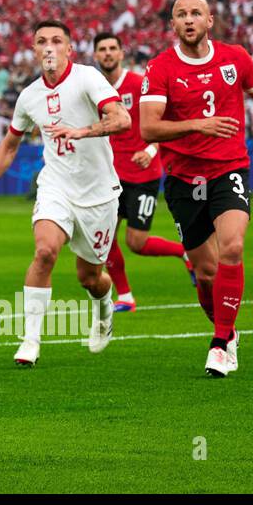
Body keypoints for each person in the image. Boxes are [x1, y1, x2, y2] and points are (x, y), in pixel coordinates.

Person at [140, 0, 253, 378]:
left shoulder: (236, 58)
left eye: (196, 13)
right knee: (206, 272)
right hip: (183, 177)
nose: (189, 19)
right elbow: (148, 127)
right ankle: (228, 330)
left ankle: (218, 343)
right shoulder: (161, 68)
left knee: (232, 245)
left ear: (210, 19)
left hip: (229, 169)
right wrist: (197, 124)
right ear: (173, 25)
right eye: (181, 15)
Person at [0, 21, 130, 367]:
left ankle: (104, 306)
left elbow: (122, 120)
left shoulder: (88, 78)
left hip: (99, 193)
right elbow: (11, 144)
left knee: (90, 278)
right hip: (56, 185)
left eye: (57, 41)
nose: (49, 47)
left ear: (69, 49)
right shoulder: (29, 96)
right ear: (33, 50)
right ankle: (30, 341)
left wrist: (83, 131)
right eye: (41, 41)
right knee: (44, 252)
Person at [91, 32, 190, 312]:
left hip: (143, 176)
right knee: (104, 237)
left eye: (112, 48)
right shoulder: (93, 89)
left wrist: (150, 151)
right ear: (96, 55)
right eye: (102, 49)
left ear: (122, 54)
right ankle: (125, 297)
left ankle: (184, 253)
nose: (108, 53)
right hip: (109, 177)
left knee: (137, 242)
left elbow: (165, 121)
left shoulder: (139, 84)